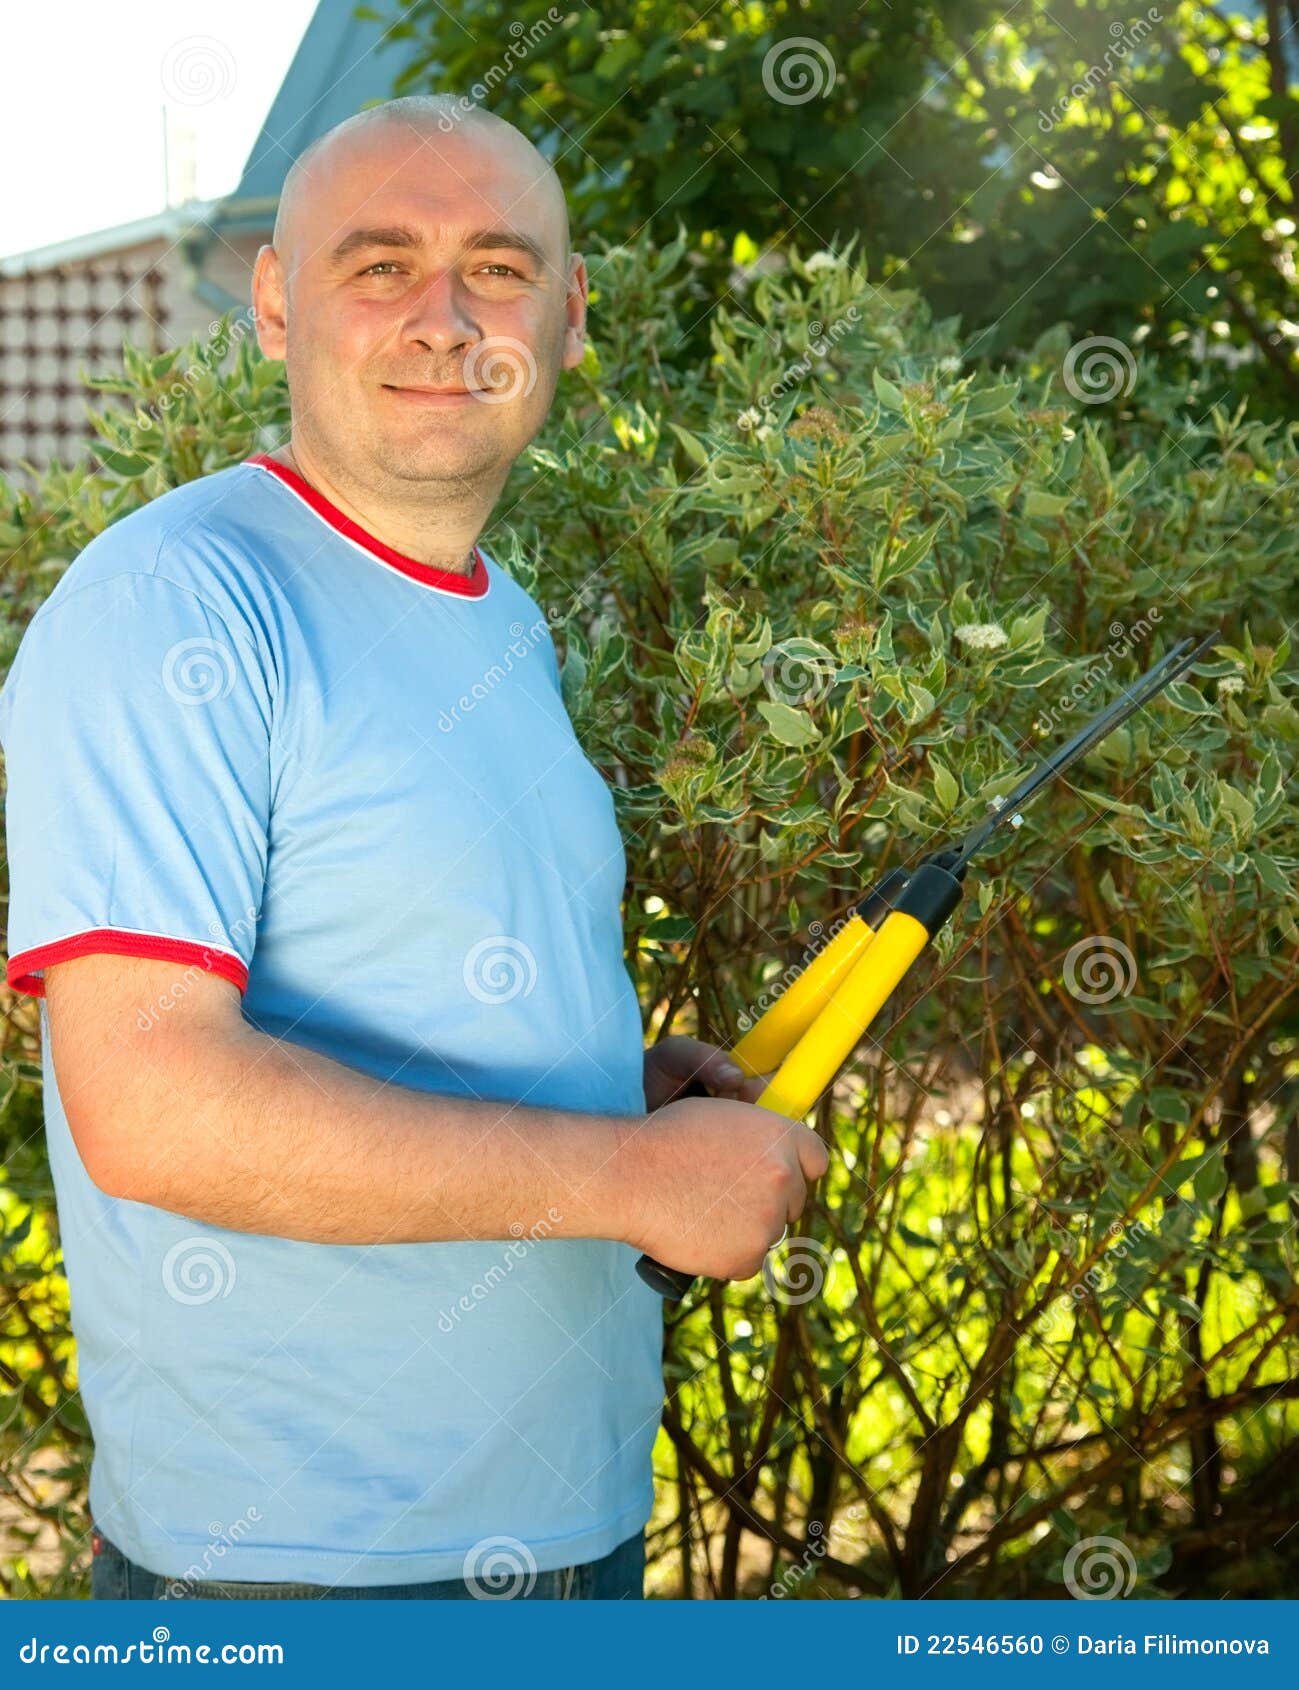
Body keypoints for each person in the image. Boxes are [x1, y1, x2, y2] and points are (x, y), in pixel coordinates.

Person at [0, 95, 828, 1601]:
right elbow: (157, 1103)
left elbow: (392, 996)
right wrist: (628, 1182)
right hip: (307, 1573)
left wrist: (617, 1098)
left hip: (569, 1531)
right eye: (378, 264)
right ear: (271, 304)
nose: (445, 319)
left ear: (570, 319)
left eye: (499, 269)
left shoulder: (497, 620)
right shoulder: (177, 605)